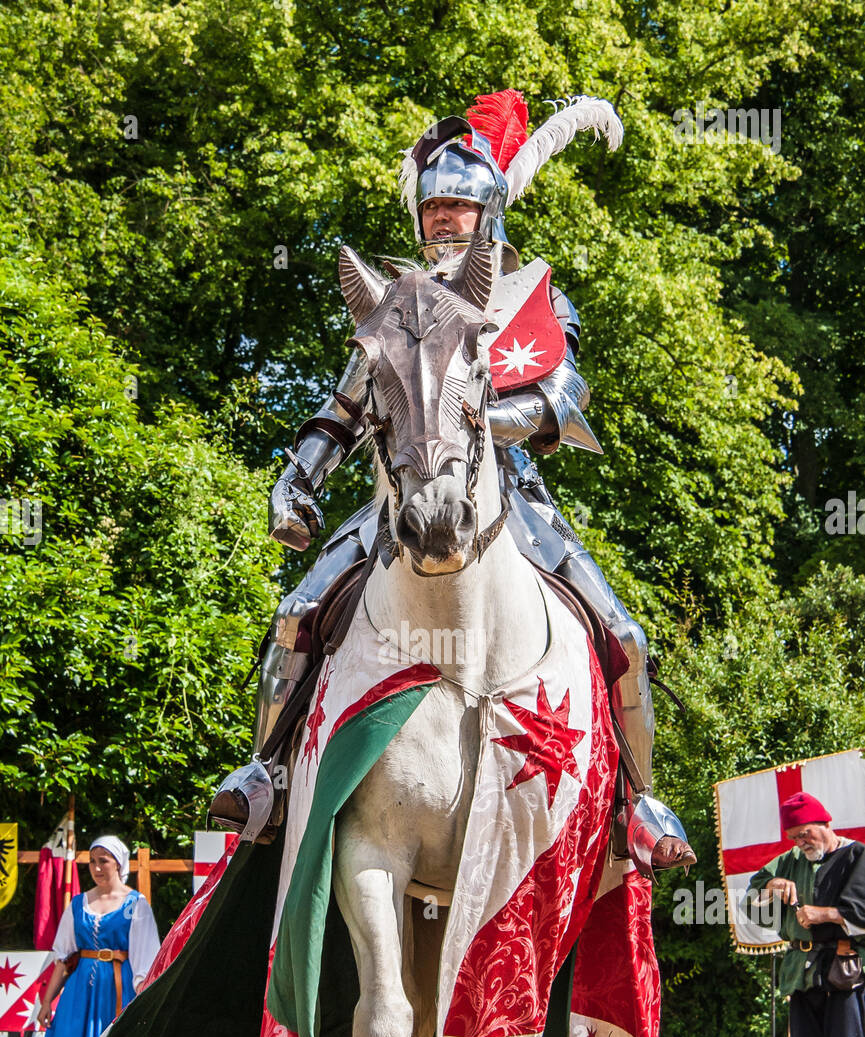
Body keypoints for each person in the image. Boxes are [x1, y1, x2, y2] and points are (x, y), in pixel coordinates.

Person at [210, 89, 695, 875]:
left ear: (489, 212)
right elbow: (343, 407)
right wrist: (297, 479)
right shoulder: (394, 304)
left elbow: (561, 397)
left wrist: (479, 422)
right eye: (433, 207)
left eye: (459, 206)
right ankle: (264, 771)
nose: (443, 219)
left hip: (509, 493)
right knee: (299, 612)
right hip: (400, 493)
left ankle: (636, 802)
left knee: (626, 638)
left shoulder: (530, 296)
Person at [9, 835, 169, 1037]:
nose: (97, 868)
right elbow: (62, 958)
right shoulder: (78, 904)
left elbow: (144, 962)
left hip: (117, 995)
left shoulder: (135, 905)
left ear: (118, 864)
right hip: (79, 1000)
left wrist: (140, 1005)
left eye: (104, 861)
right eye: (93, 861)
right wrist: (46, 1002)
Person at [746, 791, 865, 1037]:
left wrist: (825, 913)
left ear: (825, 824)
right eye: (795, 836)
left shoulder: (857, 856)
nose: (801, 842)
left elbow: (861, 910)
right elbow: (750, 902)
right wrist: (771, 888)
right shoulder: (789, 862)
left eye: (806, 834)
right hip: (801, 976)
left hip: (843, 975)